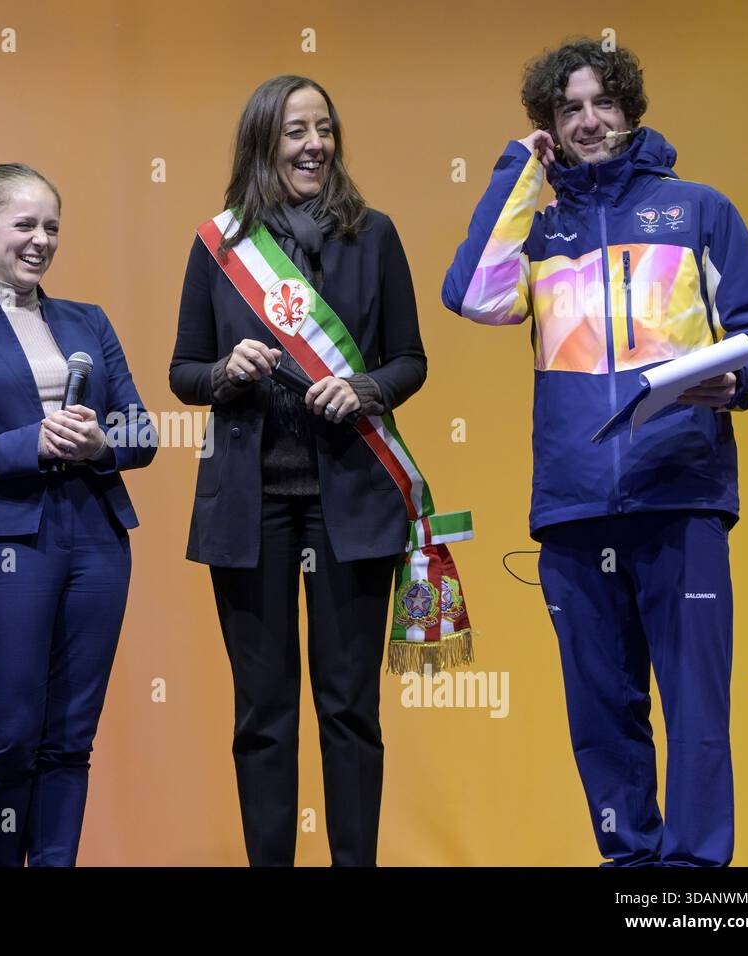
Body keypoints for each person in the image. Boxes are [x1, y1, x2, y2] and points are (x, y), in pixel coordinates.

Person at [442, 38, 748, 866]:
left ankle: (696, 882)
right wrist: (515, 174)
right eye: (569, 109)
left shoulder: (699, 208)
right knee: (602, 714)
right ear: (549, 127)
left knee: (697, 710)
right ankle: (630, 867)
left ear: (630, 109)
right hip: (573, 505)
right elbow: (473, 295)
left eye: (603, 103)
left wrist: (737, 384)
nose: (590, 121)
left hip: (682, 494)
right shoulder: (539, 226)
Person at [169, 75, 436, 866]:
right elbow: (183, 370)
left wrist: (365, 388)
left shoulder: (375, 235)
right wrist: (226, 370)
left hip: (352, 502)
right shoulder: (217, 246)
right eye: (295, 132)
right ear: (263, 143)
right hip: (249, 510)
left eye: (323, 129)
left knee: (350, 710)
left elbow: (411, 360)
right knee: (263, 714)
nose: (314, 144)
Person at [0, 163, 156, 866]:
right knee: (14, 732)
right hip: (10, 543)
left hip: (99, 540)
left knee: (71, 736)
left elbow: (143, 431)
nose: (41, 240)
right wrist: (33, 441)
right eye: (25, 225)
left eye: (51, 227)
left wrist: (106, 440)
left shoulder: (89, 320)